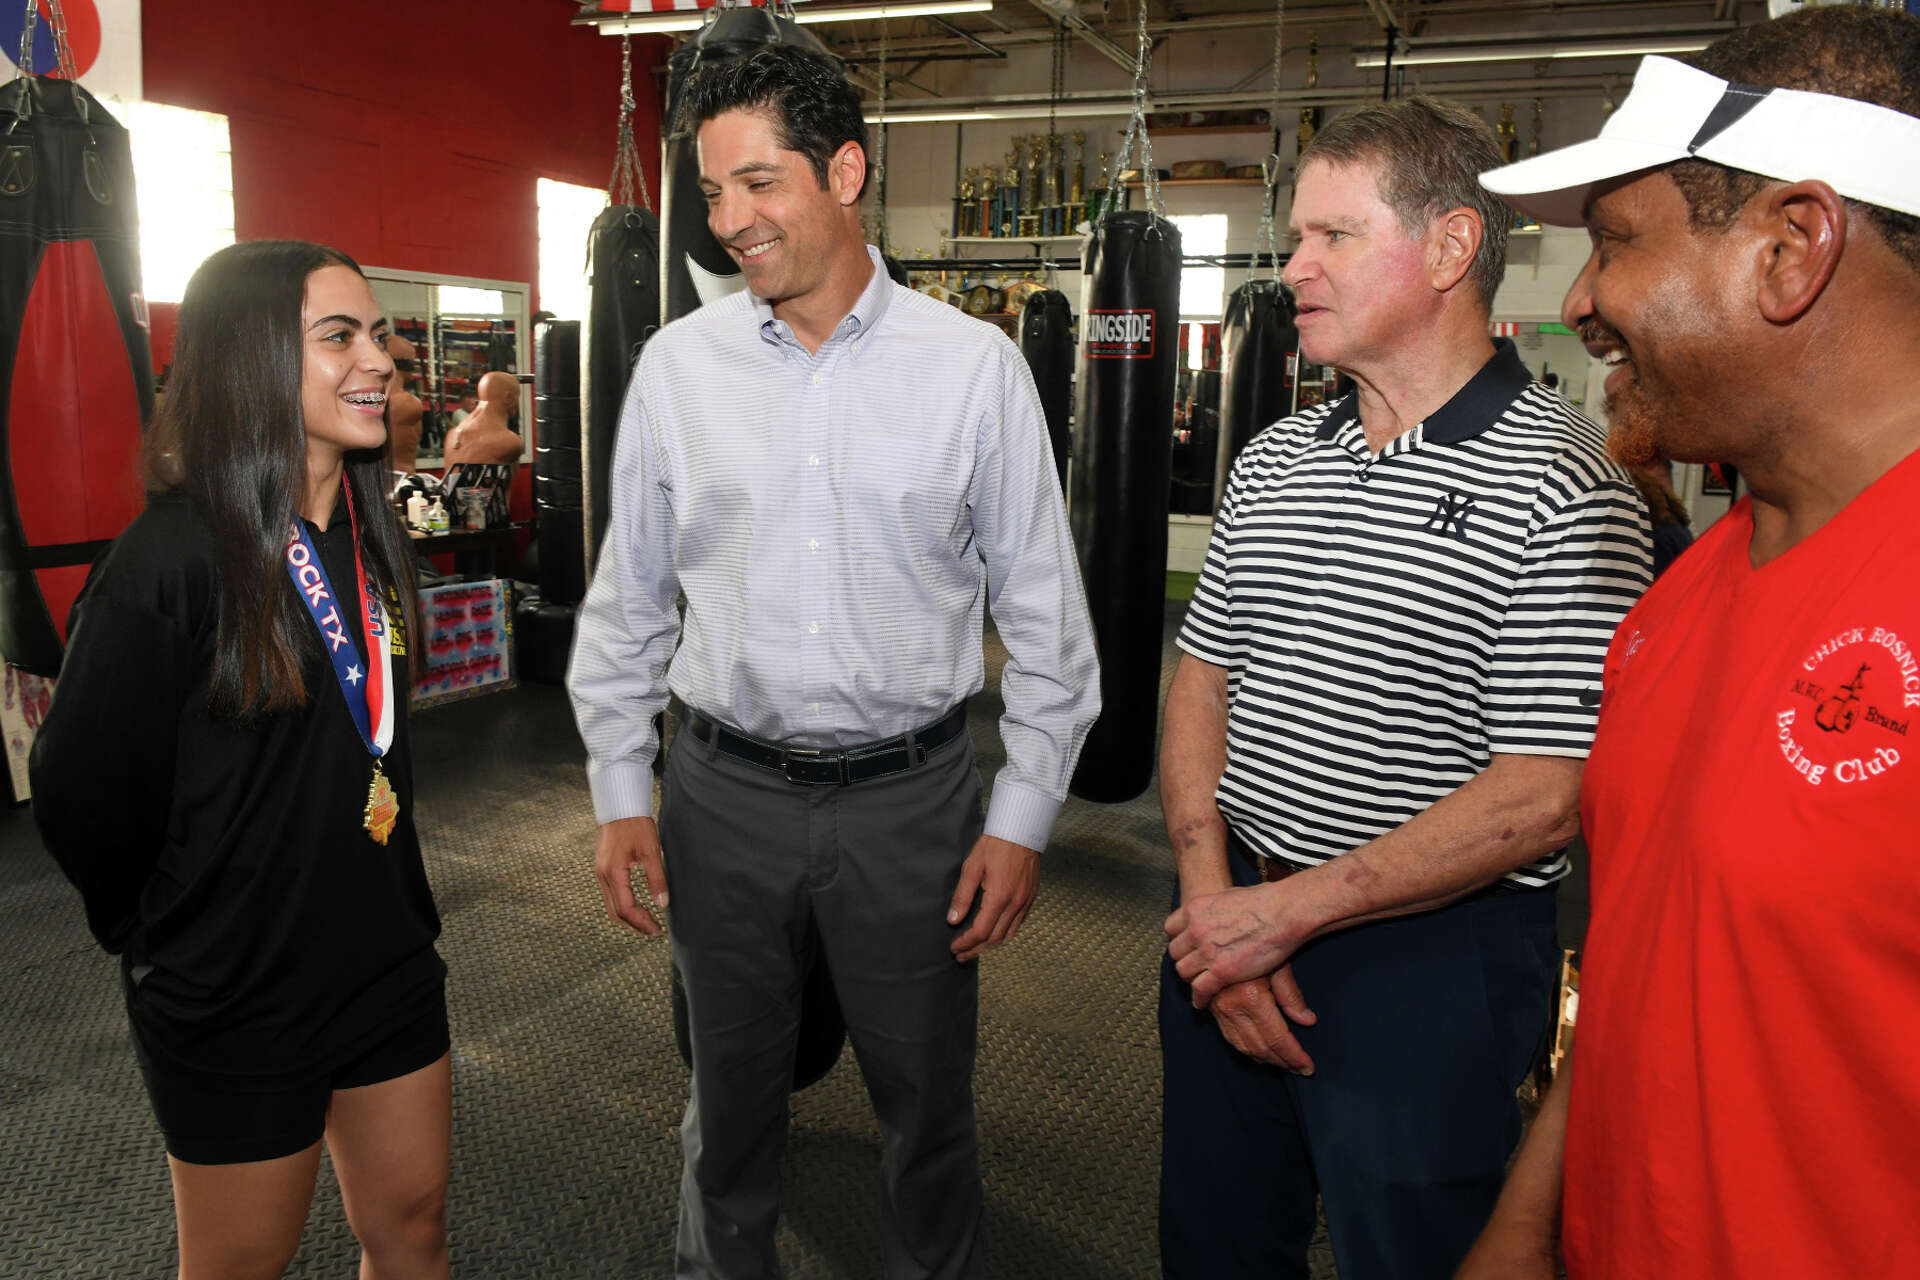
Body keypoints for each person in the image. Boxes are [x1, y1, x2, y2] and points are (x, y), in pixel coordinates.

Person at [566, 44, 1099, 1280]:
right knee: (729, 1111)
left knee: (927, 1113)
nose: (731, 220)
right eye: (712, 192)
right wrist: (620, 792)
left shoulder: (973, 370)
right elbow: (630, 601)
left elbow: (1048, 620)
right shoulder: (678, 370)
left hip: (911, 801)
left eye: (761, 183)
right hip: (722, 793)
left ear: (846, 170)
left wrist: (1020, 818)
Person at [1156, 97, 1652, 1280]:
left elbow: (1542, 795)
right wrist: (1216, 894)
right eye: (1295, 237)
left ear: (1448, 250)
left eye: (1332, 236)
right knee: (1215, 1246)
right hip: (1226, 916)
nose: (1294, 268)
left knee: (1415, 1252)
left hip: (1427, 968)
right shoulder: (1278, 455)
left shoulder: (1563, 485)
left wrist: (1291, 914)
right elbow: (1199, 677)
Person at [1461, 9, 1920, 1277]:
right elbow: (1636, 962)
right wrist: (1524, 1223)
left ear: (1793, 247)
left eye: (1615, 239)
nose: (1584, 301)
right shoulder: (1676, 598)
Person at [30, 240, 451, 1279]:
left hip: (384, 959)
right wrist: (175, 928)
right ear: (252, 358)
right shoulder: (171, 559)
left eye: (379, 332)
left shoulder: (368, 534)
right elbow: (83, 791)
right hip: (235, 989)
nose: (380, 359)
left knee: (413, 1231)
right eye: (339, 335)